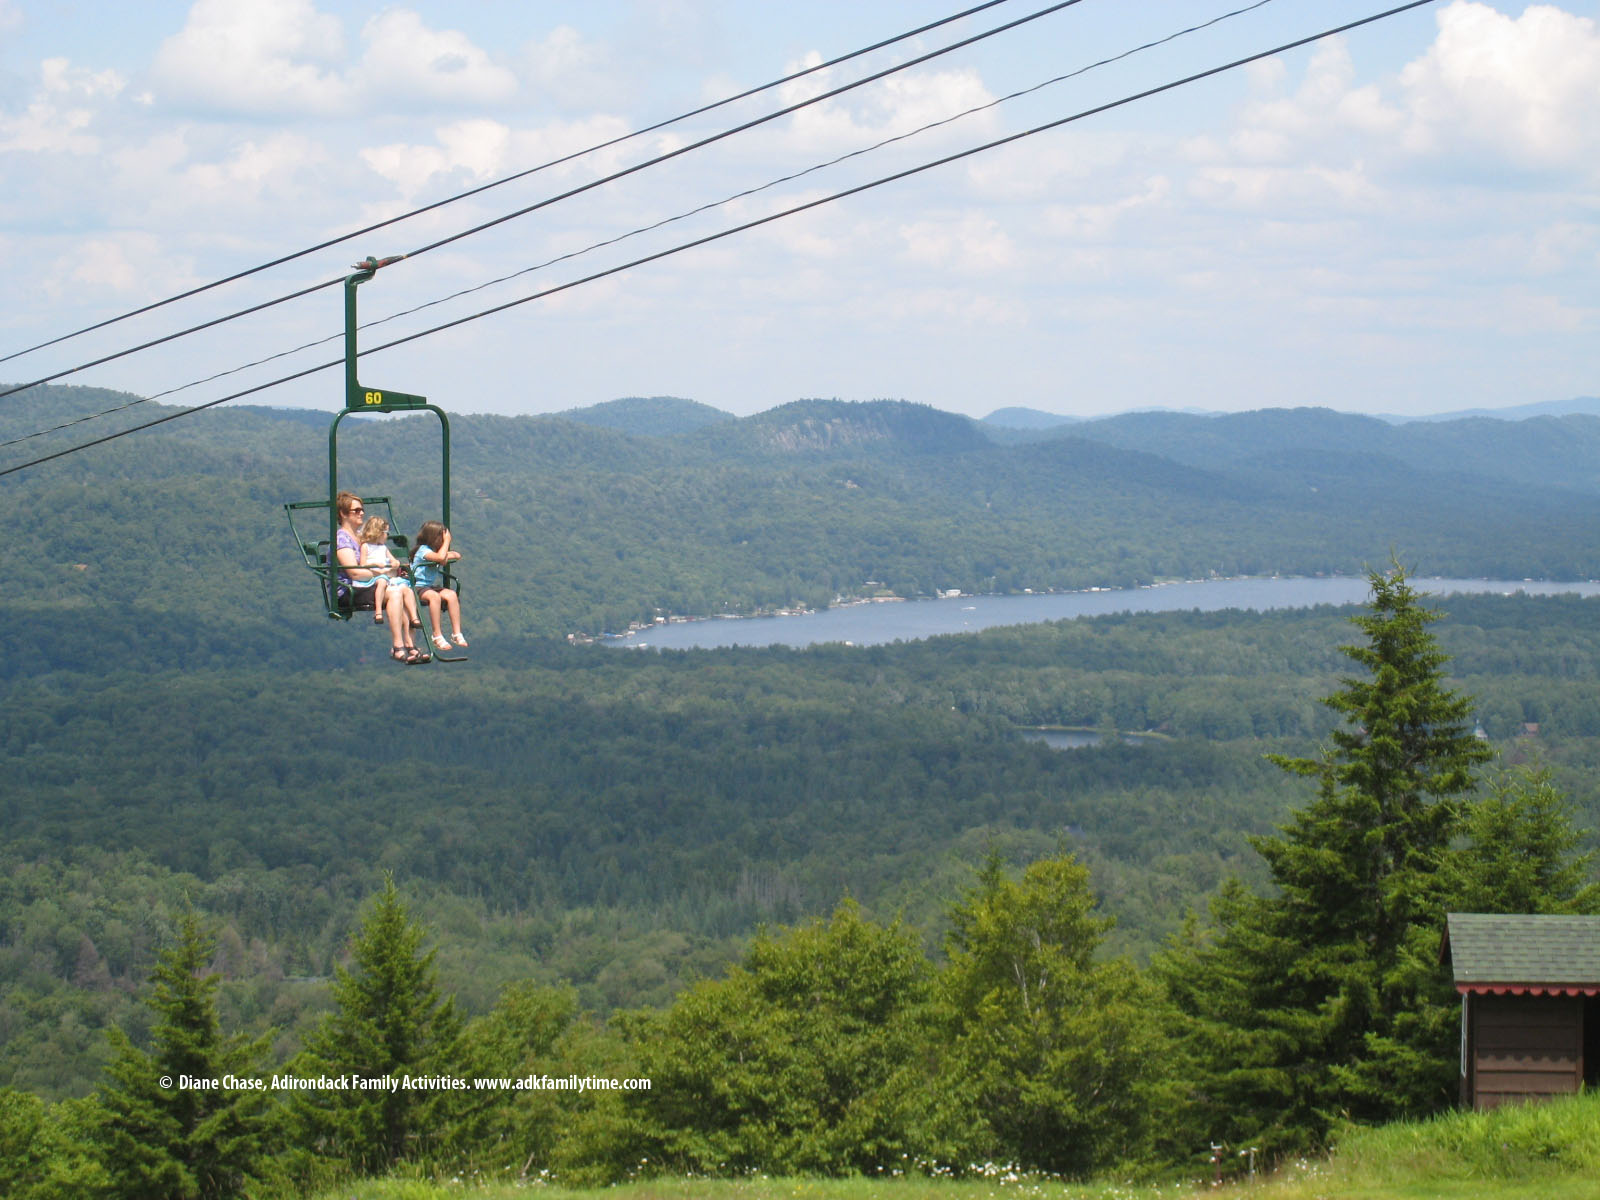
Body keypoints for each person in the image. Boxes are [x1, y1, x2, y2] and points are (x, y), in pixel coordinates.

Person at [333, 492, 426, 664]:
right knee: (396, 593)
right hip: (350, 589)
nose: (361, 513)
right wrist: (383, 573)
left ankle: (409, 644)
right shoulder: (341, 539)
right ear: (343, 514)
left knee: (403, 590)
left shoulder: (361, 536)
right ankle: (398, 646)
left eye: (362, 510)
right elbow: (354, 572)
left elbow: (380, 552)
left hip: (369, 584)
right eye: (356, 510)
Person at [358, 515, 420, 633]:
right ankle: (378, 612)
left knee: (406, 589)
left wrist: (395, 563)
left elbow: (393, 560)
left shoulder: (383, 548)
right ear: (378, 532)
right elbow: (362, 564)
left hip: (387, 575)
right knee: (381, 582)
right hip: (374, 576)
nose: (387, 536)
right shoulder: (365, 547)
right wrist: (375, 564)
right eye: (386, 532)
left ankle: (414, 617)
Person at [412, 520, 467, 651]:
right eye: (441, 537)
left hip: (429, 585)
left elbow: (456, 555)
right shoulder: (422, 550)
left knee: (452, 595)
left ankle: (456, 633)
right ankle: (437, 635)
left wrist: (446, 554)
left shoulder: (436, 551)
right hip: (417, 585)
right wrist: (447, 543)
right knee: (434, 597)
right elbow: (440, 559)